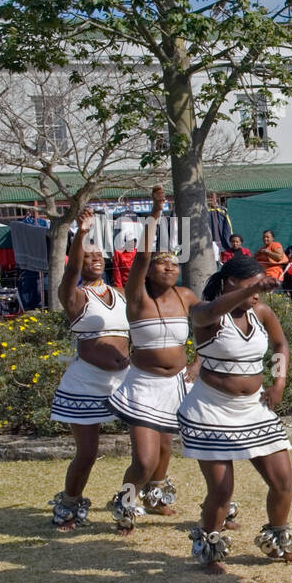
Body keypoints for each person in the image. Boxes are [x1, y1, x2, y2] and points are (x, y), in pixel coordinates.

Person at [178, 255, 292, 574]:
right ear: (231, 283)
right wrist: (251, 289)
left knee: (283, 481)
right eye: (252, 286)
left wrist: (279, 381)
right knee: (221, 491)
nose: (258, 295)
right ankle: (210, 549)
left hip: (254, 410)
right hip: (211, 410)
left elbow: (280, 344)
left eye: (261, 287)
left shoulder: (260, 312)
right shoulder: (205, 313)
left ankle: (277, 541)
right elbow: (212, 310)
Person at [106, 186, 204, 534]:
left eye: (175, 264)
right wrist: (156, 213)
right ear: (148, 271)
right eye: (163, 263)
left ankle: (155, 499)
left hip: (176, 385)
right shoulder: (137, 297)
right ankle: (125, 504)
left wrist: (197, 364)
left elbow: (213, 331)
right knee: (145, 460)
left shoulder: (187, 296)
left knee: (165, 452)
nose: (170, 268)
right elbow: (143, 256)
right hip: (144, 387)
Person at [48, 209, 131, 530]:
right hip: (85, 384)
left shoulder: (121, 294)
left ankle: (139, 498)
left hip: (123, 382)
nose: (95, 259)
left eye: (99, 255)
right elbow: (69, 274)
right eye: (88, 255)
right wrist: (81, 234)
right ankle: (68, 505)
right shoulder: (75, 295)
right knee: (87, 454)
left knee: (152, 445)